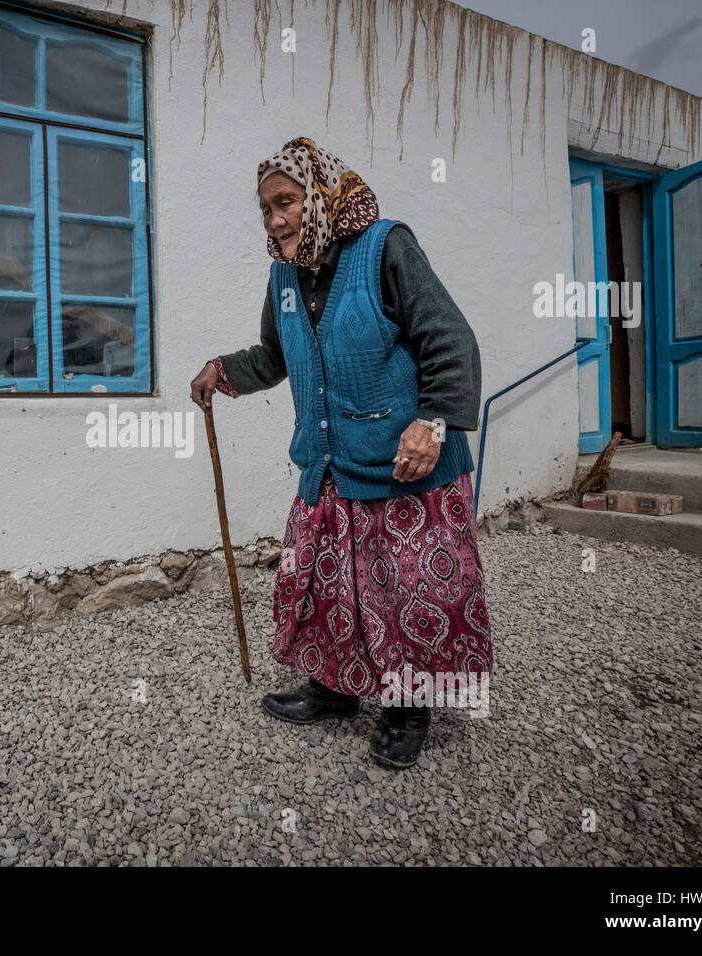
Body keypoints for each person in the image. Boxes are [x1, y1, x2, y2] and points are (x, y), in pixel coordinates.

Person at [189, 136, 493, 770]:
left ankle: (409, 709)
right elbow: (275, 357)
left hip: (403, 464)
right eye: (266, 209)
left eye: (286, 203)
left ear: (319, 197)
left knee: (408, 593)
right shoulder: (284, 275)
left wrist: (432, 421)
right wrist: (222, 369)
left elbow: (450, 337)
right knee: (329, 586)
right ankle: (334, 688)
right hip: (328, 464)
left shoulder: (385, 247)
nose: (275, 220)